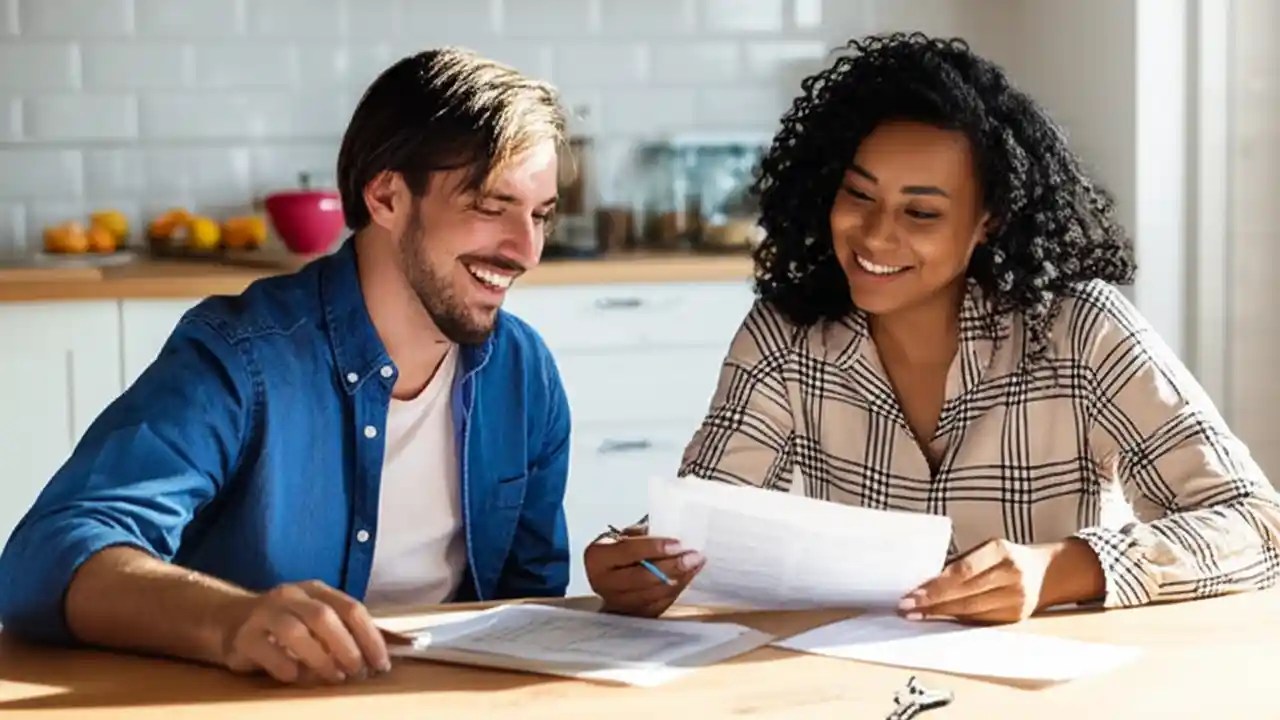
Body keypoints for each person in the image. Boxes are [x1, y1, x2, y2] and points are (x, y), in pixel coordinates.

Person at [585, 32, 1280, 623]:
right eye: (858, 195)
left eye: (921, 214)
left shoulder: (1079, 328)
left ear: (989, 223)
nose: (875, 237)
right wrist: (641, 564)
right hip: (859, 686)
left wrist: (1059, 570)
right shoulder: (784, 336)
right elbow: (706, 524)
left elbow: (1258, 526)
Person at [0, 47, 572, 684]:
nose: (526, 249)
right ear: (386, 196)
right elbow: (45, 557)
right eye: (491, 207)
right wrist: (232, 620)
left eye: (540, 215)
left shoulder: (524, 373)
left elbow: (531, 603)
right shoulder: (244, 356)